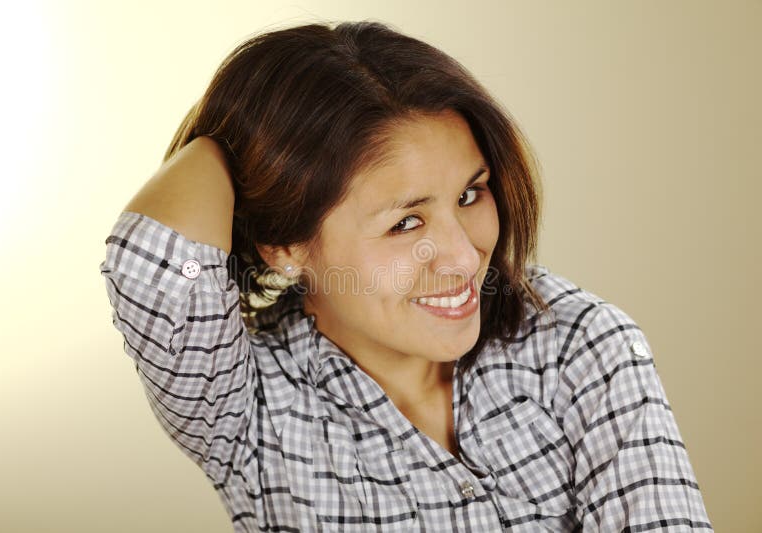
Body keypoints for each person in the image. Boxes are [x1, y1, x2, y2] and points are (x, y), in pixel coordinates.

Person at [99, 21, 712, 532]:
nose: (464, 258)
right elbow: (150, 265)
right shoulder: (247, 407)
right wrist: (235, 135)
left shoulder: (582, 342)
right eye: (406, 223)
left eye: (471, 195)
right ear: (285, 244)